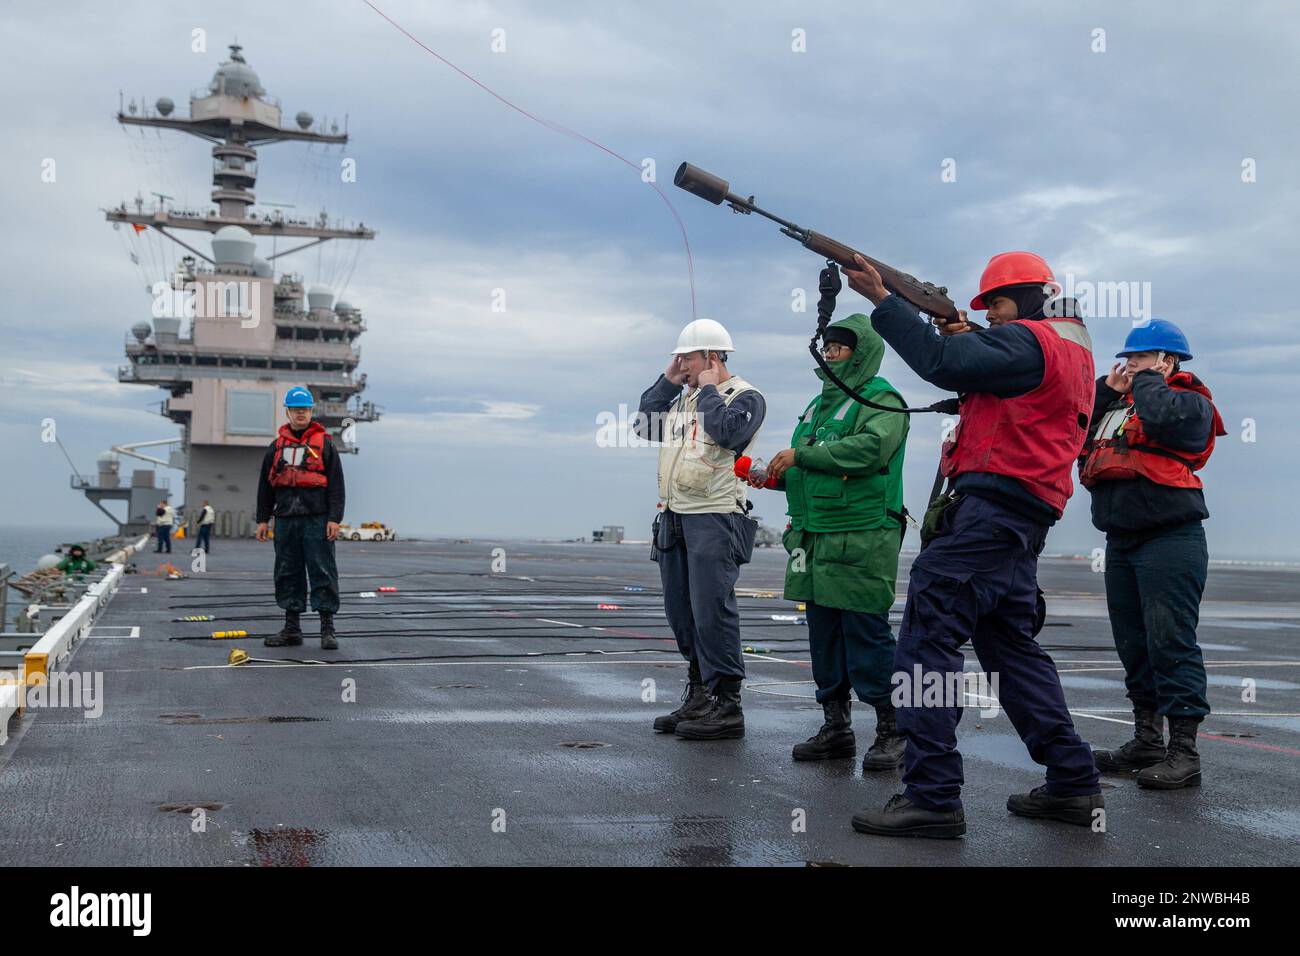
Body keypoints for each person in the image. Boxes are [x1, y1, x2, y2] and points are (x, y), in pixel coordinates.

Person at [844, 251, 1102, 839]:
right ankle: (1072, 780)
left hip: (989, 515)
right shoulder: (1067, 347)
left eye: (999, 306)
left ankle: (932, 795)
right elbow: (980, 373)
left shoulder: (1031, 342)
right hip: (1021, 517)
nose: (990, 318)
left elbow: (940, 361)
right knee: (1009, 647)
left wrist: (885, 302)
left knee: (926, 637)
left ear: (1035, 297)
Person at [755, 313, 910, 769]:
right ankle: (836, 728)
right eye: (827, 347)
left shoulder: (882, 399)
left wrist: (799, 455)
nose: (830, 354)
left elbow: (869, 451)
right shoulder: (816, 406)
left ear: (859, 352)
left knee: (866, 633)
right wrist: (774, 476)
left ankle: (893, 729)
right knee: (824, 637)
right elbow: (811, 468)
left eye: (839, 347)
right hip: (814, 537)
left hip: (861, 536)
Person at [1079, 320, 1224, 789]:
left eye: (1139, 359)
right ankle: (1146, 740)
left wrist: (1147, 381)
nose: (1129, 366)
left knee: (1170, 642)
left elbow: (1161, 417)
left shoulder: (1190, 404)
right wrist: (1105, 392)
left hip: (1171, 539)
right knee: (1133, 643)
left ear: (1167, 361)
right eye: (1129, 359)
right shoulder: (1122, 407)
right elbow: (1078, 441)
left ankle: (1185, 752)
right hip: (1121, 541)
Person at [636, 319, 766, 740]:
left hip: (715, 516)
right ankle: (698, 696)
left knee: (712, 611)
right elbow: (643, 427)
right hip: (674, 516)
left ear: (712, 357)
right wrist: (668, 382)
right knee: (681, 612)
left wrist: (707, 388)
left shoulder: (744, 397)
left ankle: (727, 704)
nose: (681, 364)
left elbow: (727, 432)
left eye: (687, 358)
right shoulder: (684, 399)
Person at [255, 387, 345, 650]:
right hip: (285, 520)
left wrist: (334, 518)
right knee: (287, 572)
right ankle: (292, 629)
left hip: (316, 519)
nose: (301, 413)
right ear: (288, 412)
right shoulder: (275, 448)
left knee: (323, 571)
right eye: (296, 409)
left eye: (305, 409)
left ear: (310, 411)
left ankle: (327, 629)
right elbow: (266, 486)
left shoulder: (326, 445)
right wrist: (263, 519)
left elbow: (337, 485)